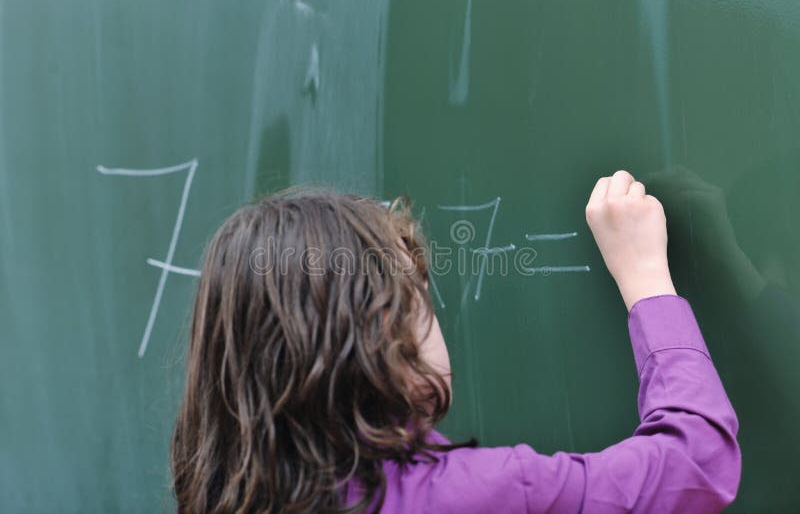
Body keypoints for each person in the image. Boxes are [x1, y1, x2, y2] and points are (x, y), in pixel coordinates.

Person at [170, 170, 741, 513]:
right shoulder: (478, 494)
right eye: (417, 298)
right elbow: (696, 464)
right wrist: (645, 278)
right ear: (386, 345)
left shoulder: (225, 494)